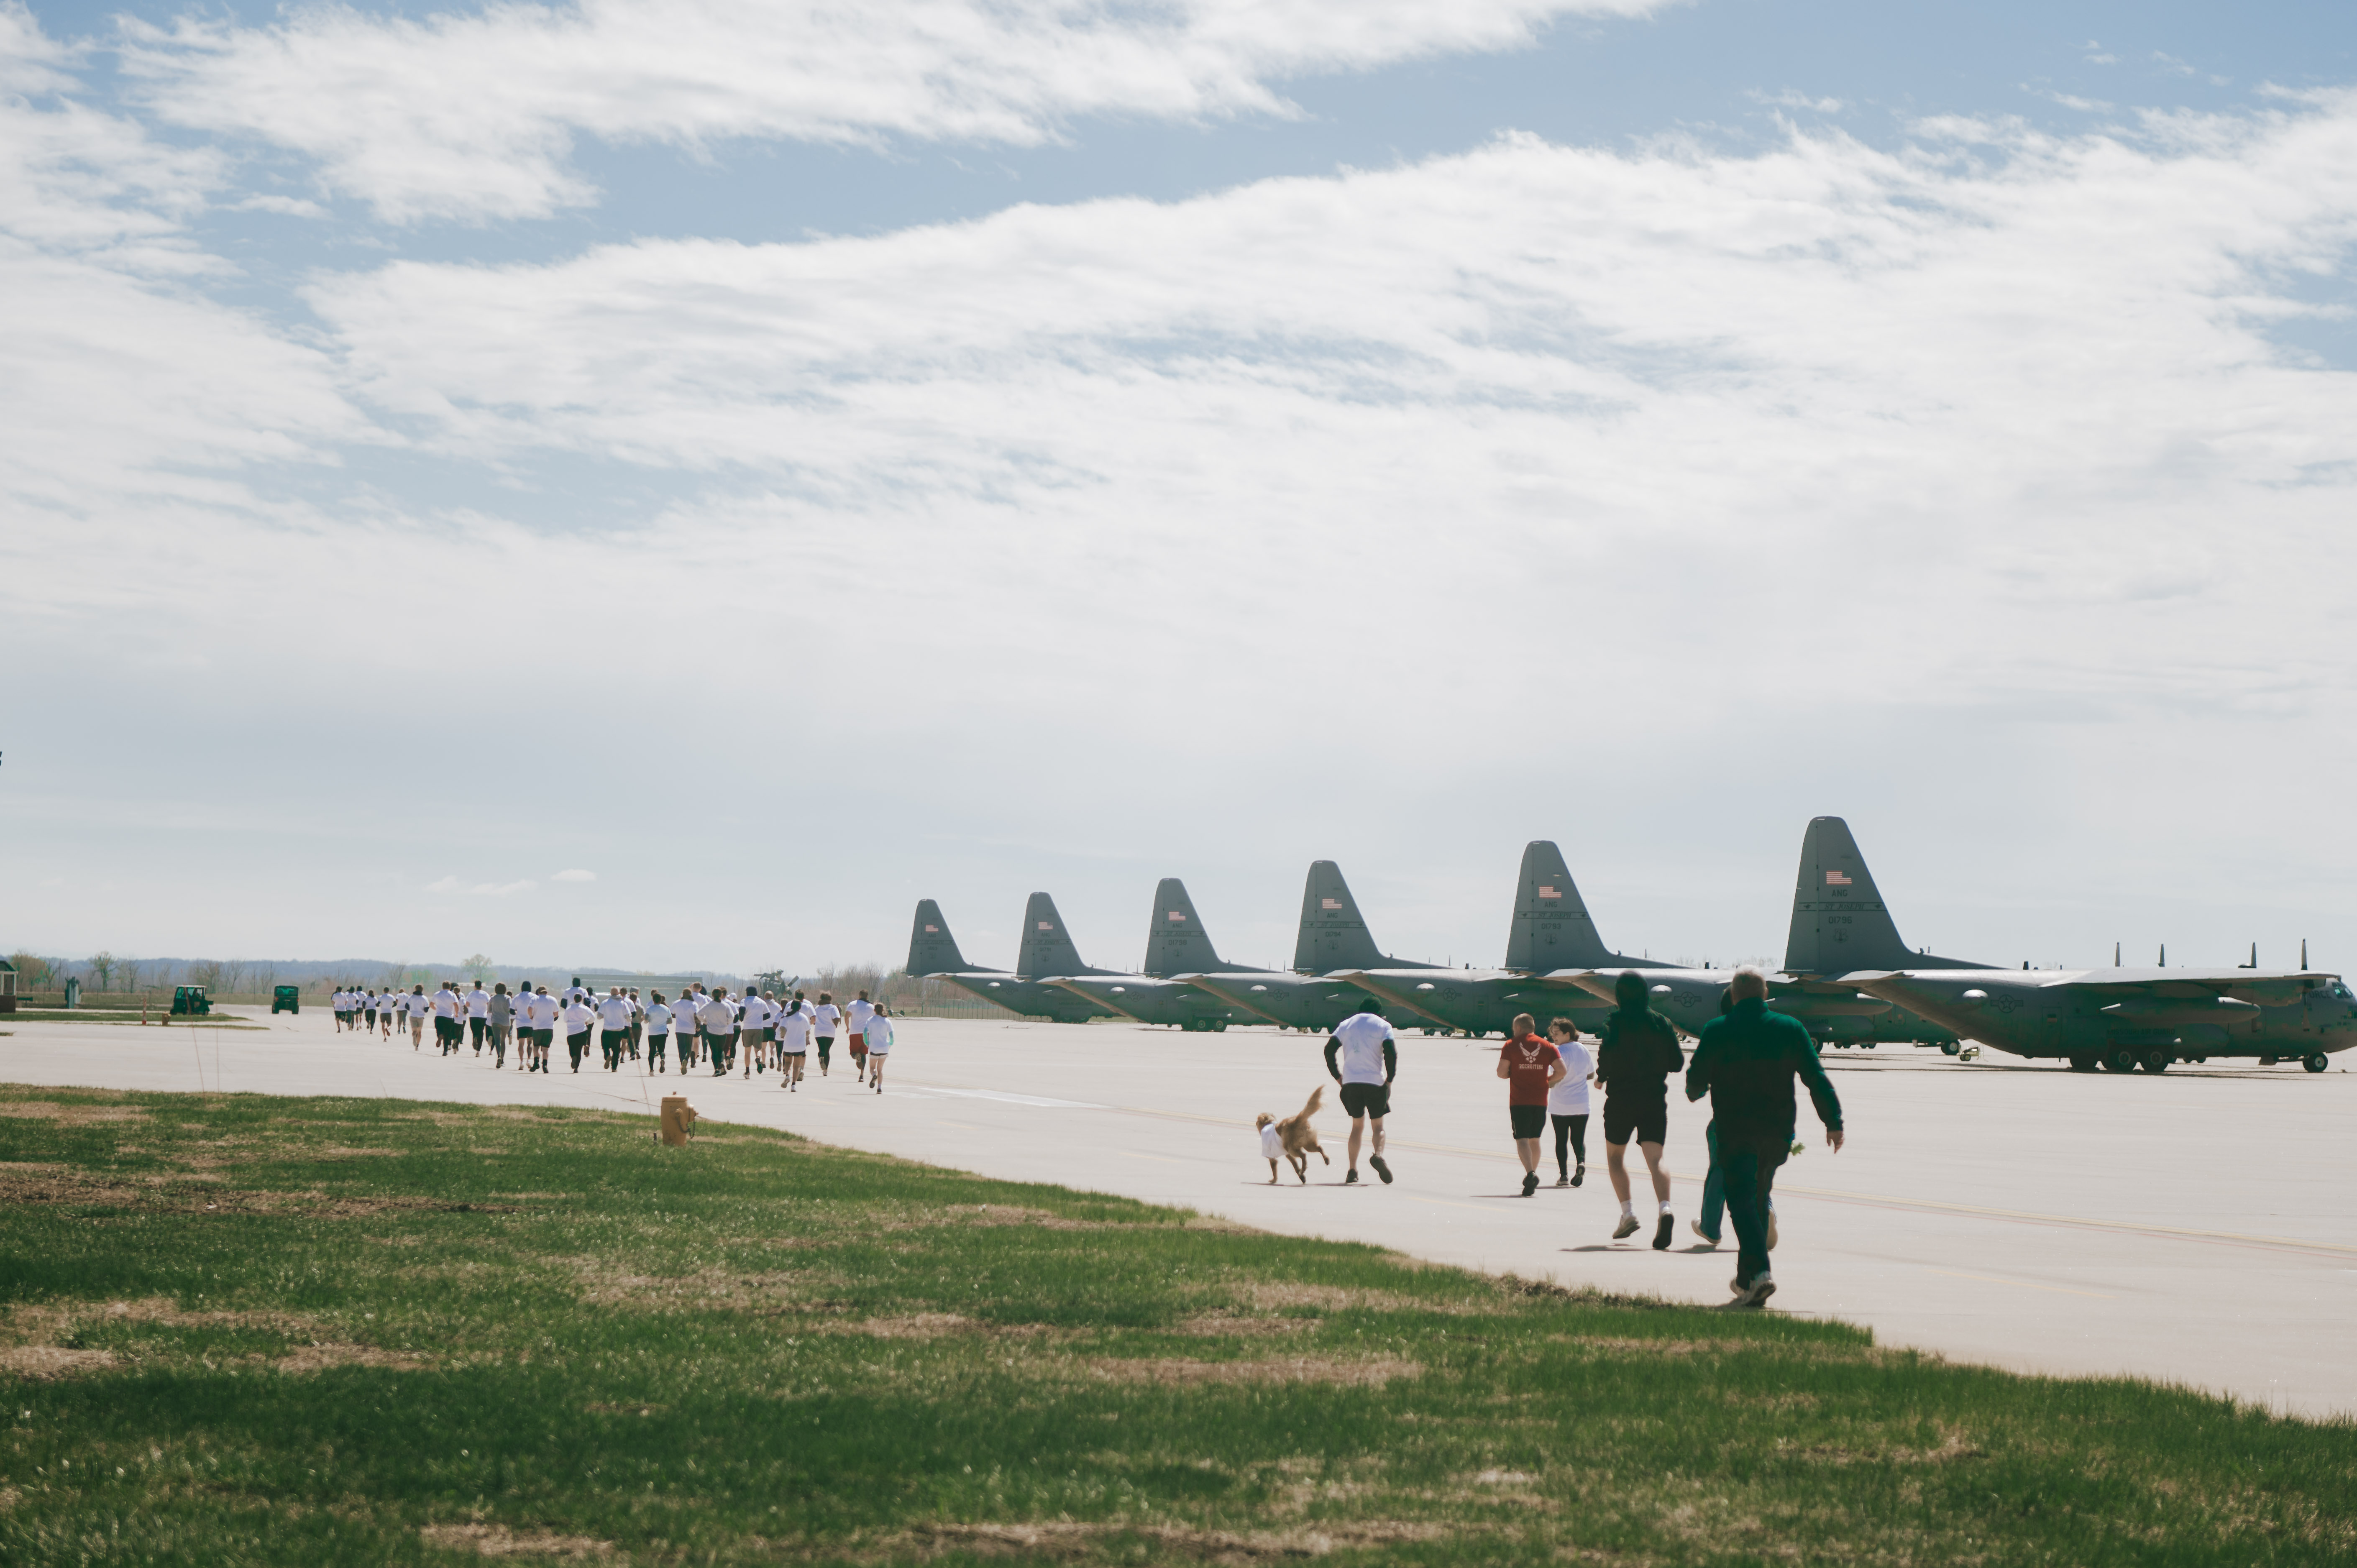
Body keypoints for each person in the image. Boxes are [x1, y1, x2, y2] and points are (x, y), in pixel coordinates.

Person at [1685, 966, 1844, 1307]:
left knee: (1741, 1199)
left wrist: (1695, 1090)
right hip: (1777, 1133)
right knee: (1757, 1198)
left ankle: (1760, 1273)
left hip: (1736, 1131)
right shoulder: (1790, 1028)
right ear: (1765, 992)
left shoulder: (1717, 1030)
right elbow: (1815, 1076)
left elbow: (1695, 1078)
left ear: (1733, 994)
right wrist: (1833, 1120)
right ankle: (1746, 1282)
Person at [1595, 970, 1684, 1248]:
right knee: (1656, 1159)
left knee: (1614, 1158)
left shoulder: (1613, 1022)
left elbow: (1606, 1057)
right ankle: (1665, 1209)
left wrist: (1601, 1075)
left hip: (1621, 1099)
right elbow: (1677, 1062)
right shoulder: (1661, 1023)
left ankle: (1628, 1213)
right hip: (1653, 1098)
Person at [1323, 999, 1396, 1186]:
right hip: (1374, 1083)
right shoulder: (1384, 1025)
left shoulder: (1346, 1025)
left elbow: (1329, 1050)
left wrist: (1338, 1077)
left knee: (1357, 1127)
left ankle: (1352, 1171)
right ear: (1379, 1012)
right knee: (1378, 1127)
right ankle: (1378, 1155)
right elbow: (1391, 1053)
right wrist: (1389, 1079)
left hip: (1351, 1083)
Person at [1497, 1012, 1566, 1196]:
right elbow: (1562, 1071)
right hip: (1540, 1101)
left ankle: (1530, 1173)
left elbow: (1501, 1073)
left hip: (1520, 1101)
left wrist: (1516, 1073)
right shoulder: (1547, 1046)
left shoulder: (1511, 1045)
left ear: (1518, 1028)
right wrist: (1547, 1081)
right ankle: (1532, 1175)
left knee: (1522, 1139)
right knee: (1535, 1139)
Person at [1547, 1018, 1595, 1187]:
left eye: (1557, 1034)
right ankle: (1581, 1162)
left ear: (1568, 1034)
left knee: (1561, 1140)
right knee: (1578, 1138)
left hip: (1561, 1104)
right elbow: (1591, 1074)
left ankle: (1564, 1176)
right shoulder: (1583, 1049)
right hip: (1581, 1103)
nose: (1554, 1037)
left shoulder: (1558, 1052)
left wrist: (1546, 1084)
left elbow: (1554, 1077)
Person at [699, 988, 736, 1077]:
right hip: (723, 1031)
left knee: (714, 1051)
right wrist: (727, 1022)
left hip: (712, 1031)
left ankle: (717, 1069)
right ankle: (721, 1062)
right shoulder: (725, 1006)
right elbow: (732, 1017)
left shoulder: (709, 1005)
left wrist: (705, 1021)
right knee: (721, 1050)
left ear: (712, 995)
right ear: (721, 995)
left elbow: (699, 1014)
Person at [778, 993, 811, 1090]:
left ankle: (787, 1075)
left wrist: (783, 1036)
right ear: (800, 1007)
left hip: (789, 1044)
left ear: (791, 1007)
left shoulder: (786, 1017)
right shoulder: (804, 1017)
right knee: (797, 1066)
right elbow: (808, 1031)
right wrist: (806, 1038)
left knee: (788, 1063)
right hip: (800, 1045)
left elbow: (783, 1030)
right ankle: (793, 1085)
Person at [598, 987, 634, 1071]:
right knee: (616, 1050)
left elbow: (599, 1016)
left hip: (607, 1029)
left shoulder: (605, 1003)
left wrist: (606, 1015)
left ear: (611, 993)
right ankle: (614, 1068)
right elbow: (628, 1017)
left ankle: (607, 1056)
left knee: (605, 1046)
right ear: (619, 994)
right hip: (618, 1031)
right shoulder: (623, 1004)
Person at [561, 991, 596, 1073]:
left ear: (574, 999)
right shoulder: (584, 1008)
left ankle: (573, 1057)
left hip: (571, 1032)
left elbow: (565, 1020)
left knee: (572, 1049)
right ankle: (576, 1068)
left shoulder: (569, 1009)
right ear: (581, 1000)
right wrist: (588, 1021)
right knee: (579, 1050)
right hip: (582, 1031)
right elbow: (593, 1017)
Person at [846, 991, 875, 1083]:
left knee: (853, 1053)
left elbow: (847, 1016)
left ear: (859, 996)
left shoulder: (852, 1004)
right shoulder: (871, 1007)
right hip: (867, 1033)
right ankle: (862, 1076)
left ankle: (856, 1057)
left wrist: (848, 1027)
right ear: (867, 997)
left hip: (855, 1032)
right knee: (864, 1054)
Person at [811, 993, 841, 1077]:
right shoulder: (833, 1008)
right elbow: (837, 1017)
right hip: (830, 1032)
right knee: (827, 1051)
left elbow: (814, 1018)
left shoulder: (817, 1008)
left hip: (819, 1032)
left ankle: (821, 1056)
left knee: (822, 1049)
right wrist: (835, 1024)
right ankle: (825, 1070)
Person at [865, 1004, 892, 1092]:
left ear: (874, 1011)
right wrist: (890, 1044)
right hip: (884, 1048)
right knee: (880, 1069)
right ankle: (879, 1088)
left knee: (872, 1068)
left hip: (874, 1048)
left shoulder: (870, 1020)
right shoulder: (887, 1021)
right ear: (883, 1010)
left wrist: (867, 1042)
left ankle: (874, 1076)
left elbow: (865, 1032)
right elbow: (891, 1035)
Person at [645, 992, 673, 1074]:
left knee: (652, 1051)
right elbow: (670, 1021)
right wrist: (664, 1022)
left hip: (653, 1032)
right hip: (663, 1032)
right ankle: (662, 1059)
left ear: (653, 1000)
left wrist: (648, 1021)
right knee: (662, 1050)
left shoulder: (650, 1008)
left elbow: (646, 1019)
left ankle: (652, 1070)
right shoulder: (666, 1009)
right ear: (661, 1000)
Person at [487, 983, 513, 1068]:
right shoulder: (508, 998)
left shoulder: (493, 998)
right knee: (503, 1041)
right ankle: (502, 1059)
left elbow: (489, 1010)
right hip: (506, 1022)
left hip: (496, 1021)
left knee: (497, 1040)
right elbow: (510, 1009)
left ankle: (499, 1056)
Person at [467, 981, 491, 1054]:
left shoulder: (471, 994)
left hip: (473, 1016)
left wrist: (471, 1007)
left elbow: (467, 1004)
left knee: (474, 1031)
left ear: (475, 987)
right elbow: (489, 1004)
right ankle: (478, 1050)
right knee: (481, 1032)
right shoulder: (485, 994)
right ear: (481, 987)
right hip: (482, 1016)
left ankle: (475, 1037)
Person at [406, 985, 429, 1049]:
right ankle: (417, 1046)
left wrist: (412, 1009)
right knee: (419, 1032)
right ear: (422, 990)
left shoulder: (411, 997)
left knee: (414, 1031)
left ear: (415, 989)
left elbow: (406, 1006)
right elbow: (426, 1009)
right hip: (421, 1017)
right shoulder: (424, 998)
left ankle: (414, 1036)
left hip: (413, 1015)